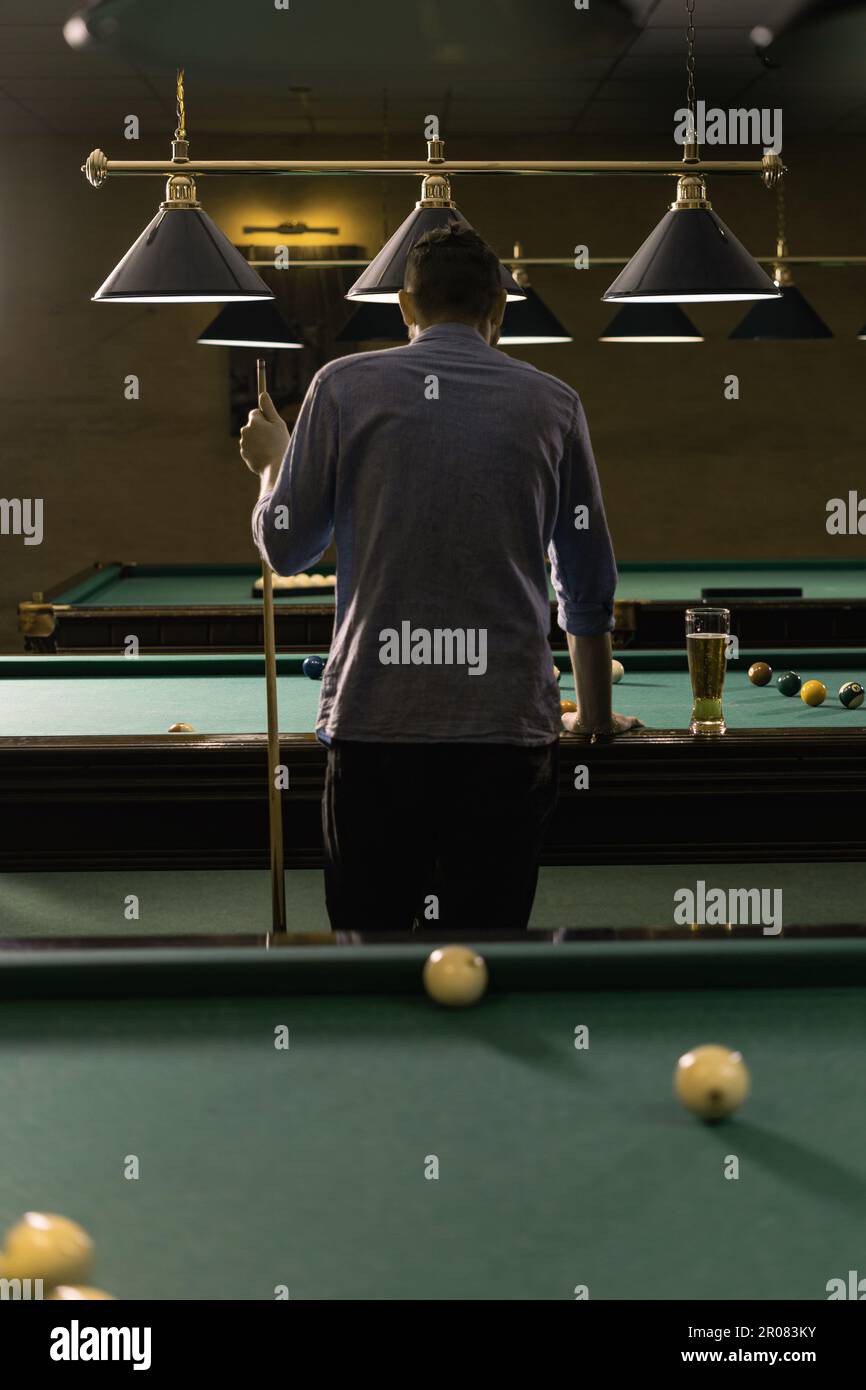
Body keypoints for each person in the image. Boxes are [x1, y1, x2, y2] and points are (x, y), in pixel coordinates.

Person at [240, 224, 642, 932]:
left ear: (404, 305)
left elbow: (285, 551)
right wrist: (597, 721)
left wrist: (272, 464)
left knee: (371, 953)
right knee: (486, 954)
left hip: (374, 731)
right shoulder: (555, 403)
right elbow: (586, 582)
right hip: (506, 739)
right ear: (501, 306)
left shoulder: (341, 386)